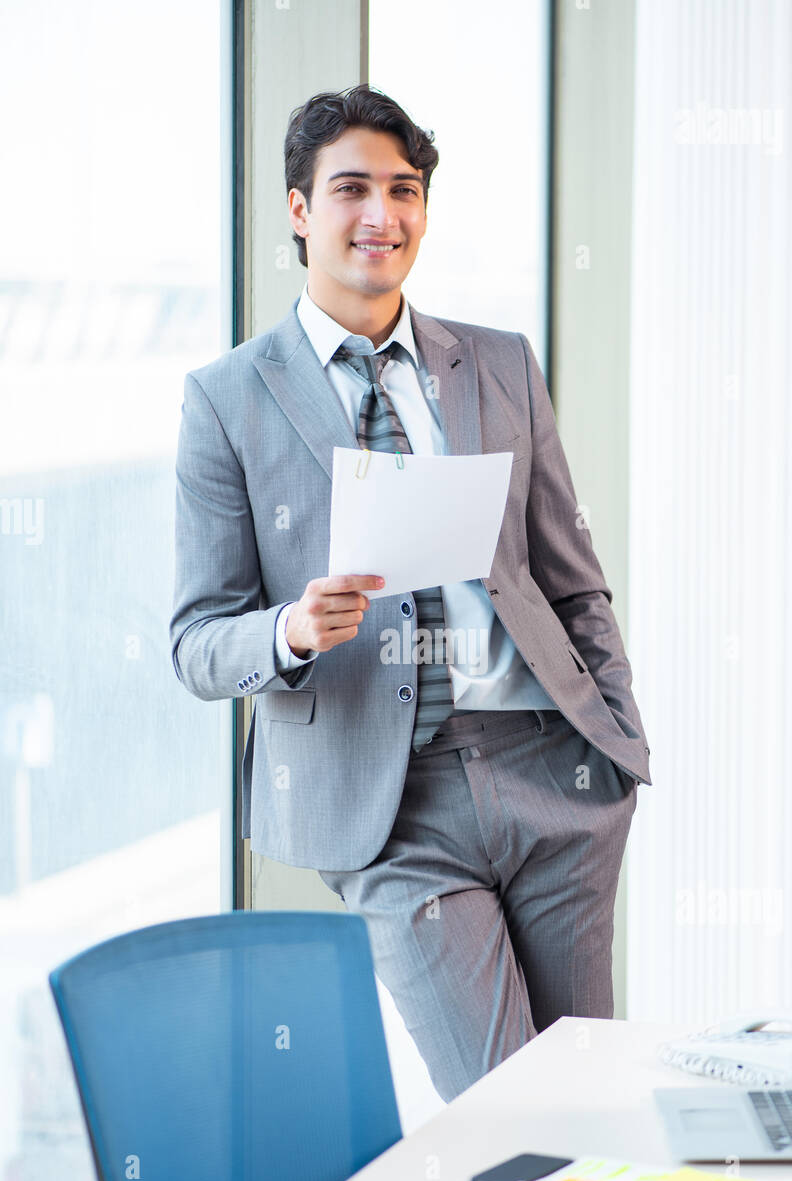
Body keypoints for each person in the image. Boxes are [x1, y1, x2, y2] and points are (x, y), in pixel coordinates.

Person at [170, 83, 651, 1104]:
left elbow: (571, 576)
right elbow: (196, 641)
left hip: (550, 770)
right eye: (351, 189)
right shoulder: (228, 400)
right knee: (504, 1111)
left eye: (404, 189)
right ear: (300, 210)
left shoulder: (501, 365)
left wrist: (617, 741)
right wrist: (292, 630)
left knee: (583, 1103)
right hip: (395, 809)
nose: (381, 216)